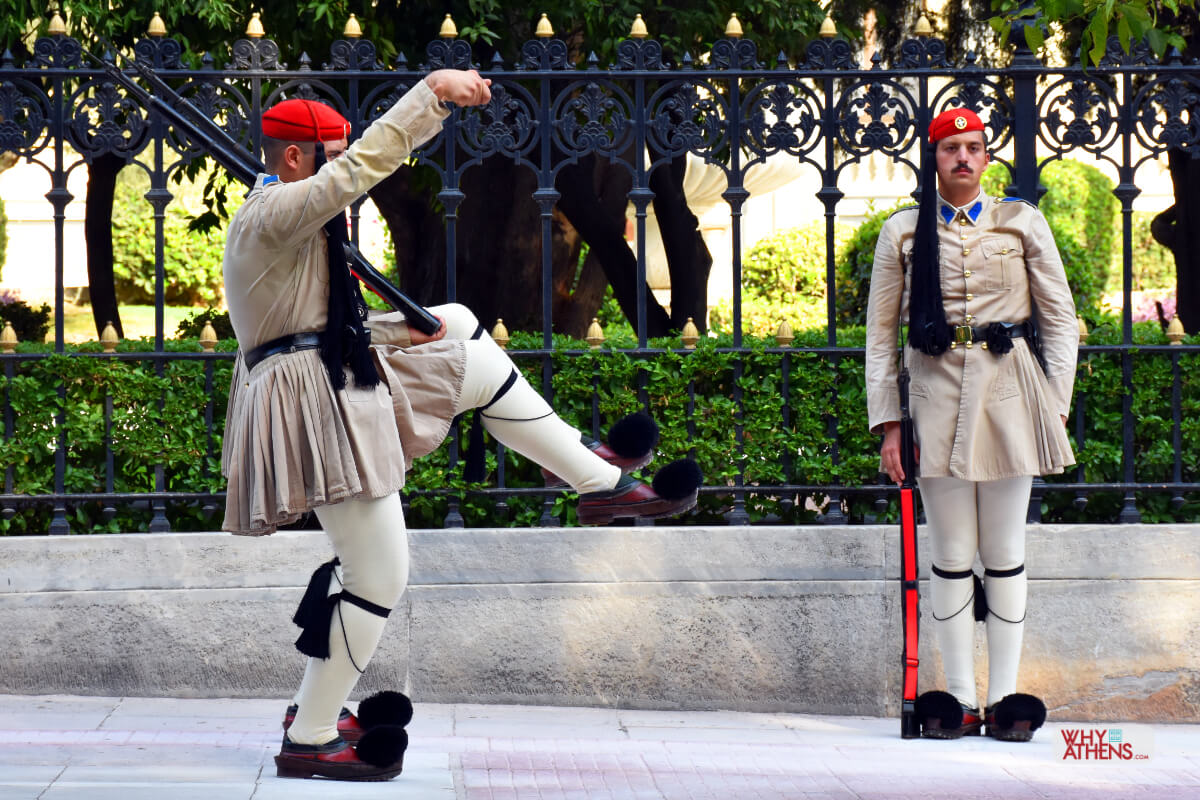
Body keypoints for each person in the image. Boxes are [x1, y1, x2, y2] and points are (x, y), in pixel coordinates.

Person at [220, 71, 701, 781]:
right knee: (379, 571)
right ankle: (313, 733)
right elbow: (358, 179)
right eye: (332, 151)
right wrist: (431, 94)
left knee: (468, 343)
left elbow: (305, 322)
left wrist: (400, 331)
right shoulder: (278, 212)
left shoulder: (287, 215)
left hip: (321, 378)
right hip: (311, 404)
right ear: (295, 157)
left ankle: (594, 479)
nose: (344, 162)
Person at [865, 108, 1078, 742]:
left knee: (1006, 551)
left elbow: (1060, 320)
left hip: (1013, 393)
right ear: (934, 159)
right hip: (934, 394)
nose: (963, 156)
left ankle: (1005, 697)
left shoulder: (1021, 222)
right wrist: (889, 425)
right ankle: (958, 698)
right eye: (951, 147)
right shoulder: (904, 231)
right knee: (952, 552)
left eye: (974, 147)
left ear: (988, 159)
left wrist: (1055, 403)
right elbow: (881, 338)